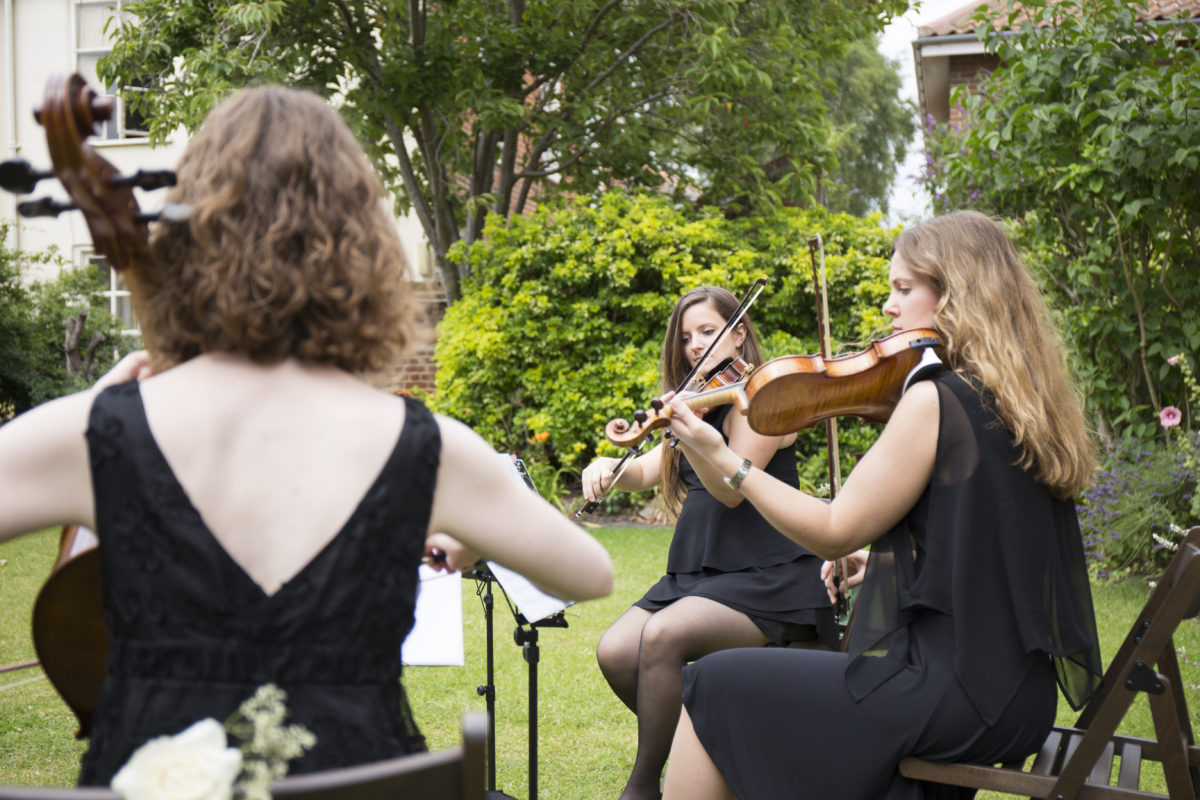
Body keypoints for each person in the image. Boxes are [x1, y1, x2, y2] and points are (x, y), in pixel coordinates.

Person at [0, 86, 613, 786]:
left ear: (186, 230)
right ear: (361, 247)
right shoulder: (425, 448)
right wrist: (470, 536)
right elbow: (588, 574)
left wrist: (97, 408)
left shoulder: (94, 432)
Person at [657, 211, 1104, 800]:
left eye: (903, 289)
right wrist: (887, 563)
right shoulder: (1018, 401)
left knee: (711, 682)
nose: (888, 308)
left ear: (956, 294)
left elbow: (834, 530)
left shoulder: (936, 397)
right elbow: (991, 548)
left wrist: (727, 460)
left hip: (955, 689)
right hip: (1017, 691)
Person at [581, 286, 836, 800]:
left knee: (661, 637)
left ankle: (643, 787)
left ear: (739, 333)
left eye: (709, 331)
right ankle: (724, 754)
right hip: (699, 568)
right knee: (614, 651)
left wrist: (691, 432)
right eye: (687, 336)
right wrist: (608, 468)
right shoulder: (697, 400)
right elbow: (652, 469)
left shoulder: (766, 402)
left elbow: (729, 489)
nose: (696, 344)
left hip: (767, 571)